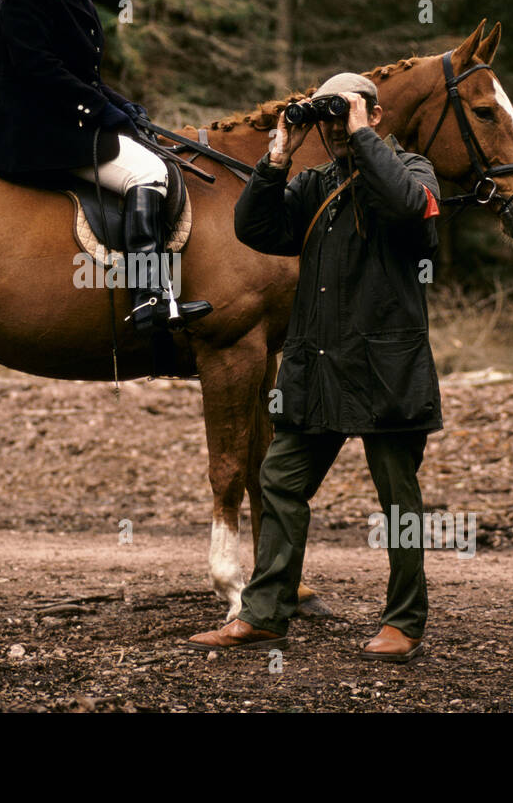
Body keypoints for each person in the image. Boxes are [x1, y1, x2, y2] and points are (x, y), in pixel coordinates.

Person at [185, 73, 443, 663]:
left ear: (375, 117)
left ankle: (404, 622)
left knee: (398, 503)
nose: (332, 127)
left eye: (345, 115)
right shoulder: (315, 185)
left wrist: (360, 132)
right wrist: (276, 159)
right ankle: (265, 614)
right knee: (280, 482)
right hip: (318, 365)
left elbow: (408, 209)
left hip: (385, 368)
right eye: (328, 117)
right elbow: (255, 228)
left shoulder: (414, 170)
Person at [0, 0, 210, 334]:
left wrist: (123, 106)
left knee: (150, 151)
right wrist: (104, 112)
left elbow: (81, 76)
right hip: (31, 128)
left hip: (61, 115)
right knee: (146, 172)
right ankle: (149, 294)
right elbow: (42, 73)